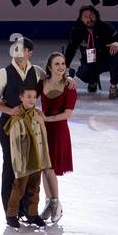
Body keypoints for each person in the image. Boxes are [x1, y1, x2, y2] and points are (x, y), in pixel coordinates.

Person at [0, 35, 44, 219]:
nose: (18, 53)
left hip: (30, 125)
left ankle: (29, 210)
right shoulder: (3, 73)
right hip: (9, 126)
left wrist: (67, 79)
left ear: (30, 53)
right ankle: (10, 211)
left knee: (31, 167)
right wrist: (9, 111)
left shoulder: (35, 72)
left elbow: (53, 80)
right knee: (11, 166)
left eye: (22, 50)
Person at [2, 82, 50, 229]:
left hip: (37, 158)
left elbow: (43, 137)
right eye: (28, 97)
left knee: (34, 187)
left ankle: (32, 214)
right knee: (19, 188)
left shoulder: (37, 116)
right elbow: (14, 144)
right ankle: (11, 215)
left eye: (34, 97)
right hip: (23, 160)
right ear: (21, 98)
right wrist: (18, 163)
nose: (32, 100)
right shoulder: (17, 119)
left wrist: (44, 158)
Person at [38, 52, 76, 223]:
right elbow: (29, 97)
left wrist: (47, 118)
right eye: (57, 64)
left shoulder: (69, 87)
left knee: (50, 167)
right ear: (49, 67)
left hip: (59, 130)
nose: (61, 67)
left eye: (63, 63)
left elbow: (67, 114)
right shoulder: (42, 83)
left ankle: (56, 204)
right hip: (43, 130)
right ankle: (48, 203)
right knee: (43, 168)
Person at [63, 5, 118, 98]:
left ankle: (113, 86)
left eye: (91, 15)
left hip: (106, 58)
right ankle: (92, 81)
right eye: (86, 17)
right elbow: (71, 50)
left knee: (117, 54)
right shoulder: (77, 31)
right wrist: (64, 66)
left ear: (96, 16)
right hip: (89, 58)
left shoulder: (106, 27)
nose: (89, 19)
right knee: (83, 73)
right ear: (81, 19)